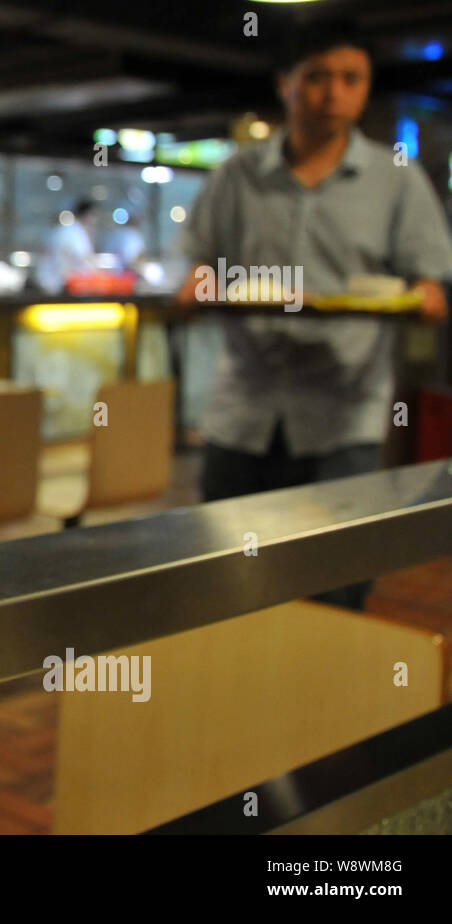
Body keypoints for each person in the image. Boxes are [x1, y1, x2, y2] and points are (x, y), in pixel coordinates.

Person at [176, 23, 452, 609]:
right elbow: (201, 264)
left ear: (366, 87)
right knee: (226, 583)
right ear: (286, 84)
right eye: (316, 77)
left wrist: (425, 299)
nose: (333, 93)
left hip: (344, 412)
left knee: (337, 585)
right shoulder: (237, 174)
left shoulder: (396, 180)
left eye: (351, 79)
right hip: (243, 410)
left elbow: (428, 282)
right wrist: (198, 286)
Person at [36, 199, 99, 293]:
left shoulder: (69, 230)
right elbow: (83, 257)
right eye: (95, 215)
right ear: (87, 214)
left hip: (54, 282)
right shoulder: (74, 232)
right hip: (60, 284)